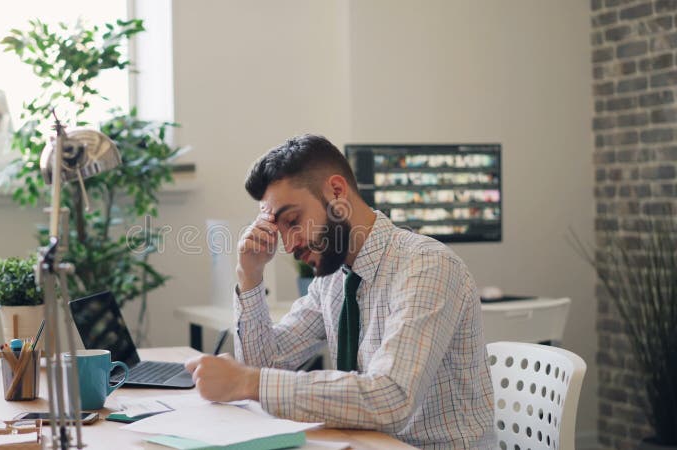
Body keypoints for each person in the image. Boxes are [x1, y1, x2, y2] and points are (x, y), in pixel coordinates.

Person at [184, 134, 496, 448]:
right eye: (279, 230)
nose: (289, 245)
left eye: (293, 221)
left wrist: (247, 382)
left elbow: (390, 397)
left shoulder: (427, 266)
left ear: (336, 192)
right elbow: (265, 366)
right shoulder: (333, 279)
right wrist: (249, 274)